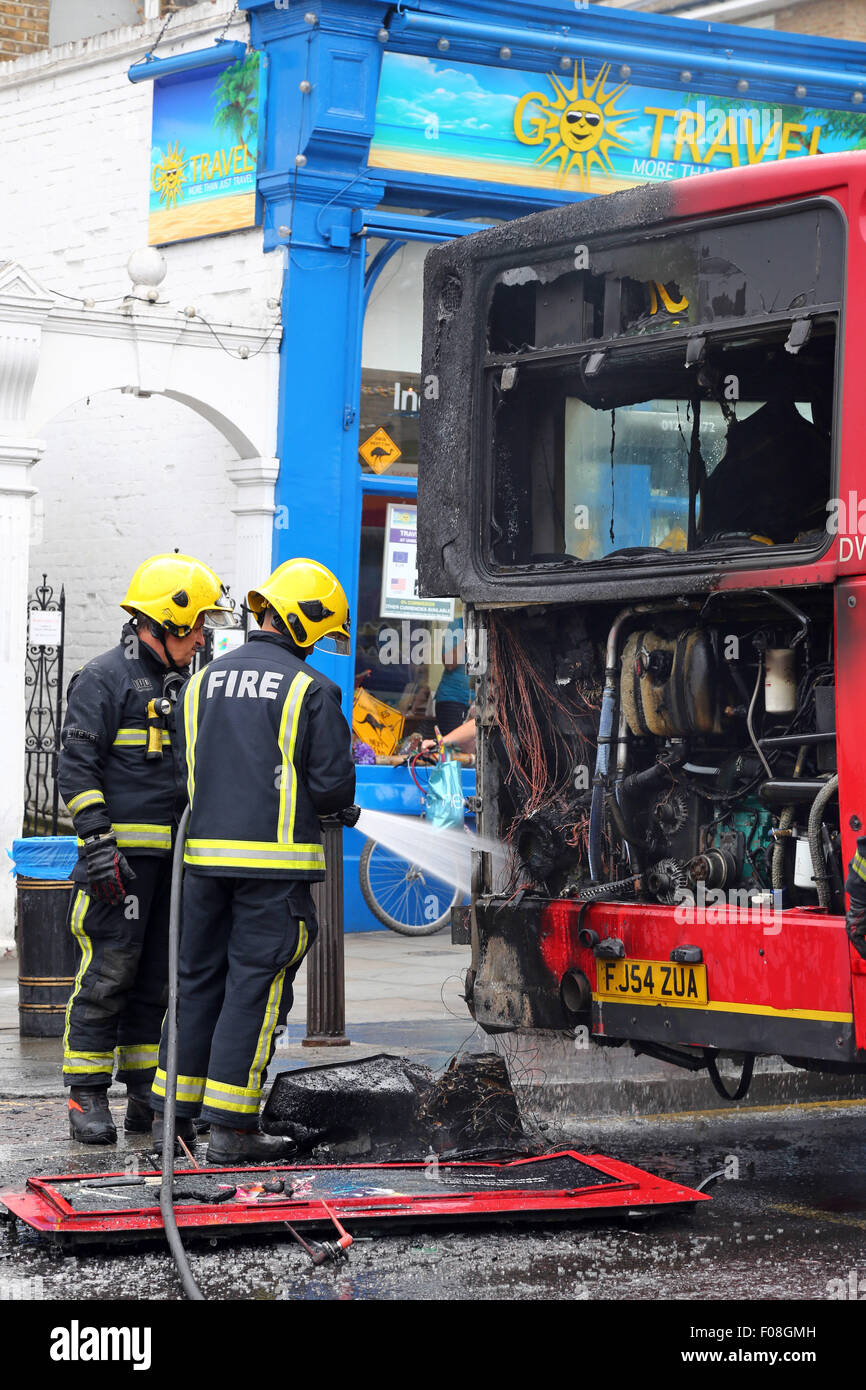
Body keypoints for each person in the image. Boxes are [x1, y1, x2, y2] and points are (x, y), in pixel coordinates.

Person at [150, 558, 357, 1164]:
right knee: (255, 988)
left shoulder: (198, 684)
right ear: (302, 621)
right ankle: (234, 1131)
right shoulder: (310, 690)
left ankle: (174, 1119)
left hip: (201, 867)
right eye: (320, 635)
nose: (319, 647)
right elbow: (333, 788)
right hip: (274, 873)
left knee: (194, 983)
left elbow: (184, 775)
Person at [58, 553, 235, 1144]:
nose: (205, 636)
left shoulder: (189, 686)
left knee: (157, 981)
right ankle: (86, 1093)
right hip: (117, 864)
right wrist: (98, 845)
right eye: (200, 624)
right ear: (167, 623)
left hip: (173, 866)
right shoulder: (102, 678)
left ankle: (141, 1092)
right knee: (109, 972)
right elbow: (76, 769)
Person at [433, 616, 471, 736]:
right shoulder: (458, 624)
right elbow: (449, 663)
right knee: (454, 750)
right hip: (453, 700)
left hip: (481, 703)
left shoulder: (496, 625)